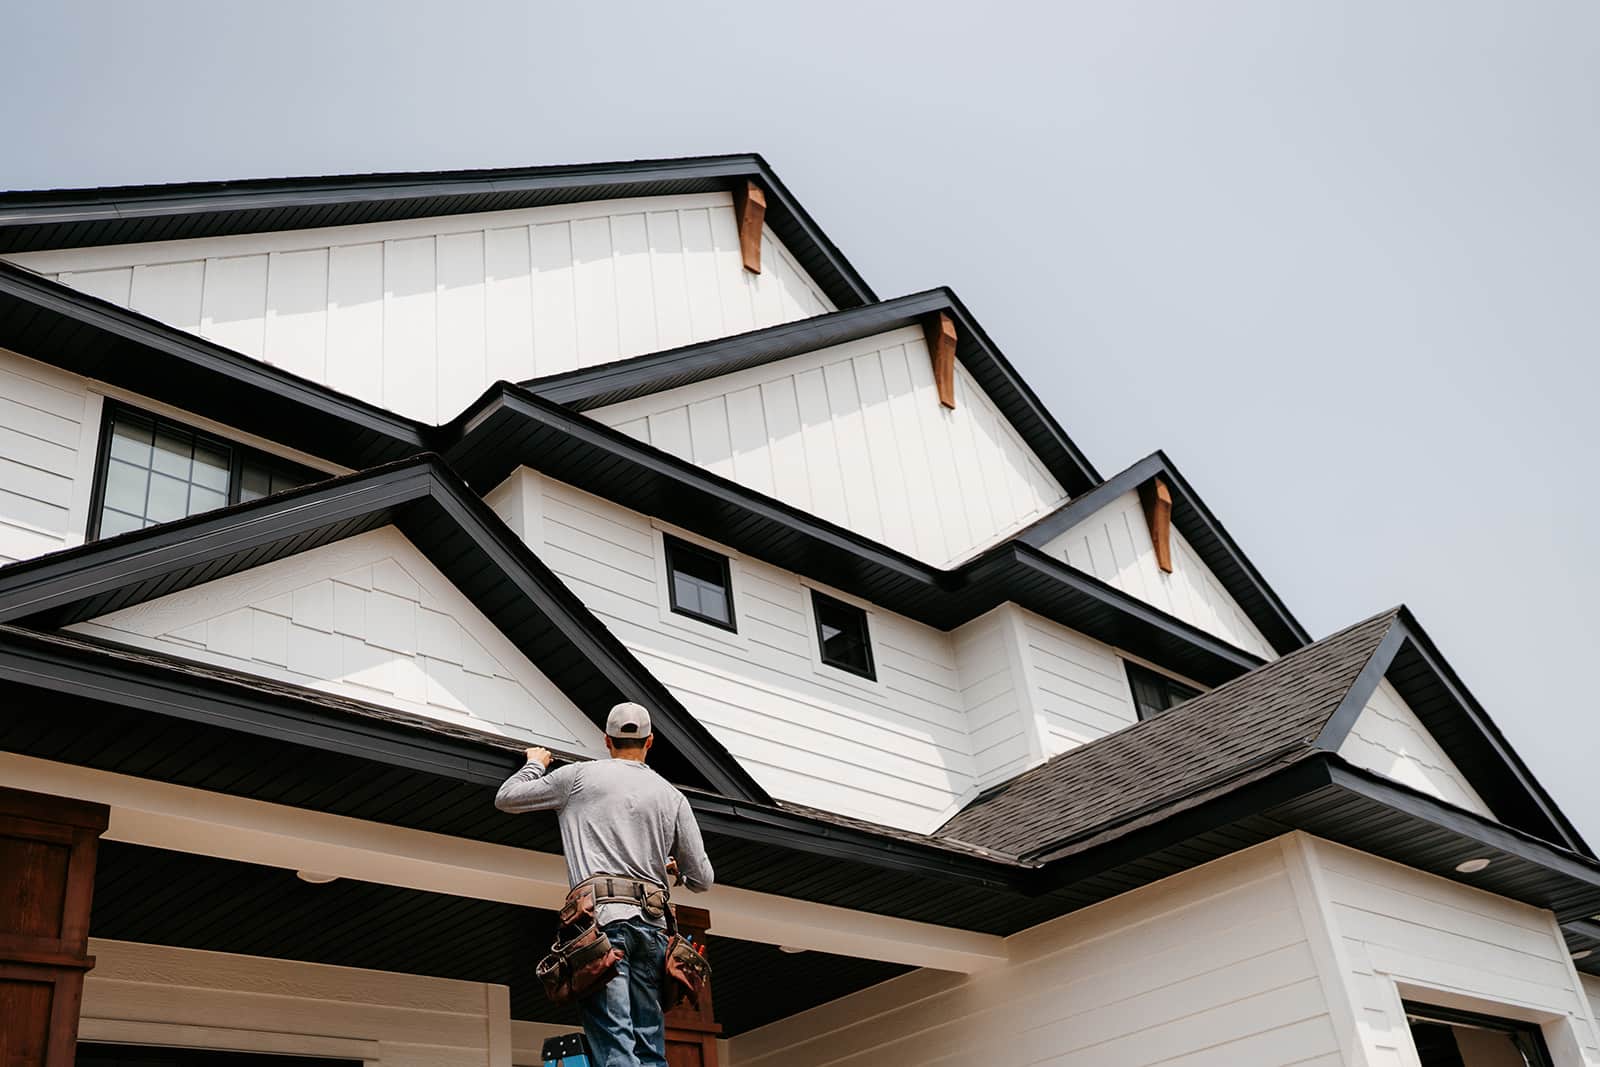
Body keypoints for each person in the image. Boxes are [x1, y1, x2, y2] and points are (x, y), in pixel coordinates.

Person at [495, 702, 713, 1067]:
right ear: (650, 742)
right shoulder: (672, 796)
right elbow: (703, 879)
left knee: (616, 1045)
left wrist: (535, 763)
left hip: (603, 925)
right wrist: (674, 869)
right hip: (653, 928)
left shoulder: (579, 777)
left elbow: (507, 798)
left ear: (607, 741)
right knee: (648, 1048)